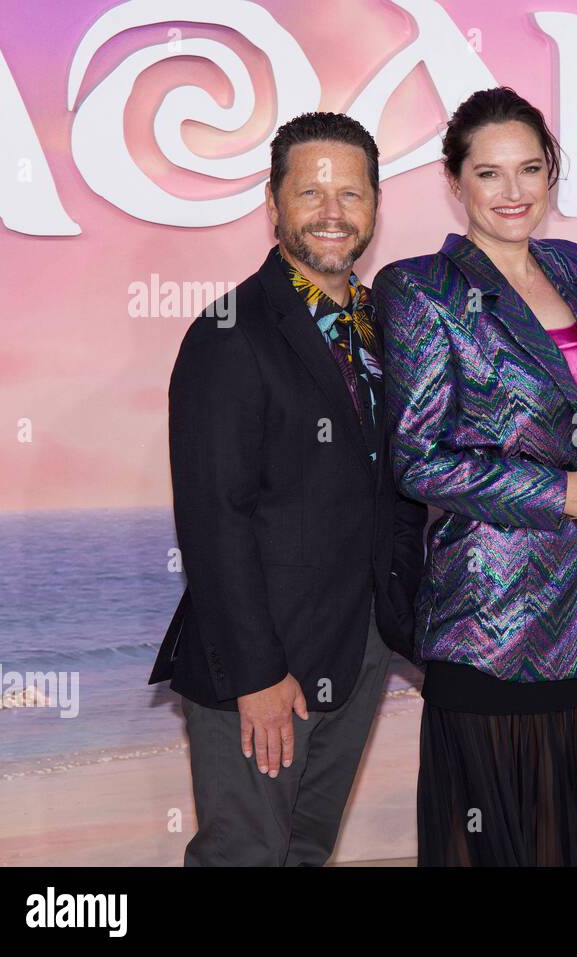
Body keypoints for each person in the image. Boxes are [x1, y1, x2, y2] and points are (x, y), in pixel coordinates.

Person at [373, 87, 577, 866]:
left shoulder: (574, 266)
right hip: (493, 620)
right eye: (490, 173)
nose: (513, 192)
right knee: (506, 839)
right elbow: (417, 457)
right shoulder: (418, 290)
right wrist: (556, 492)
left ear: (551, 173)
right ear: (454, 180)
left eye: (529, 169)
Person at [149, 112, 427, 866]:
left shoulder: (379, 325)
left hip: (360, 645)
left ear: (375, 205)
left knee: (305, 850)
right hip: (267, 663)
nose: (332, 211)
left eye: (351, 193)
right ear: (273, 206)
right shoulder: (230, 331)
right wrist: (258, 673)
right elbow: (213, 518)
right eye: (310, 192)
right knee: (247, 853)